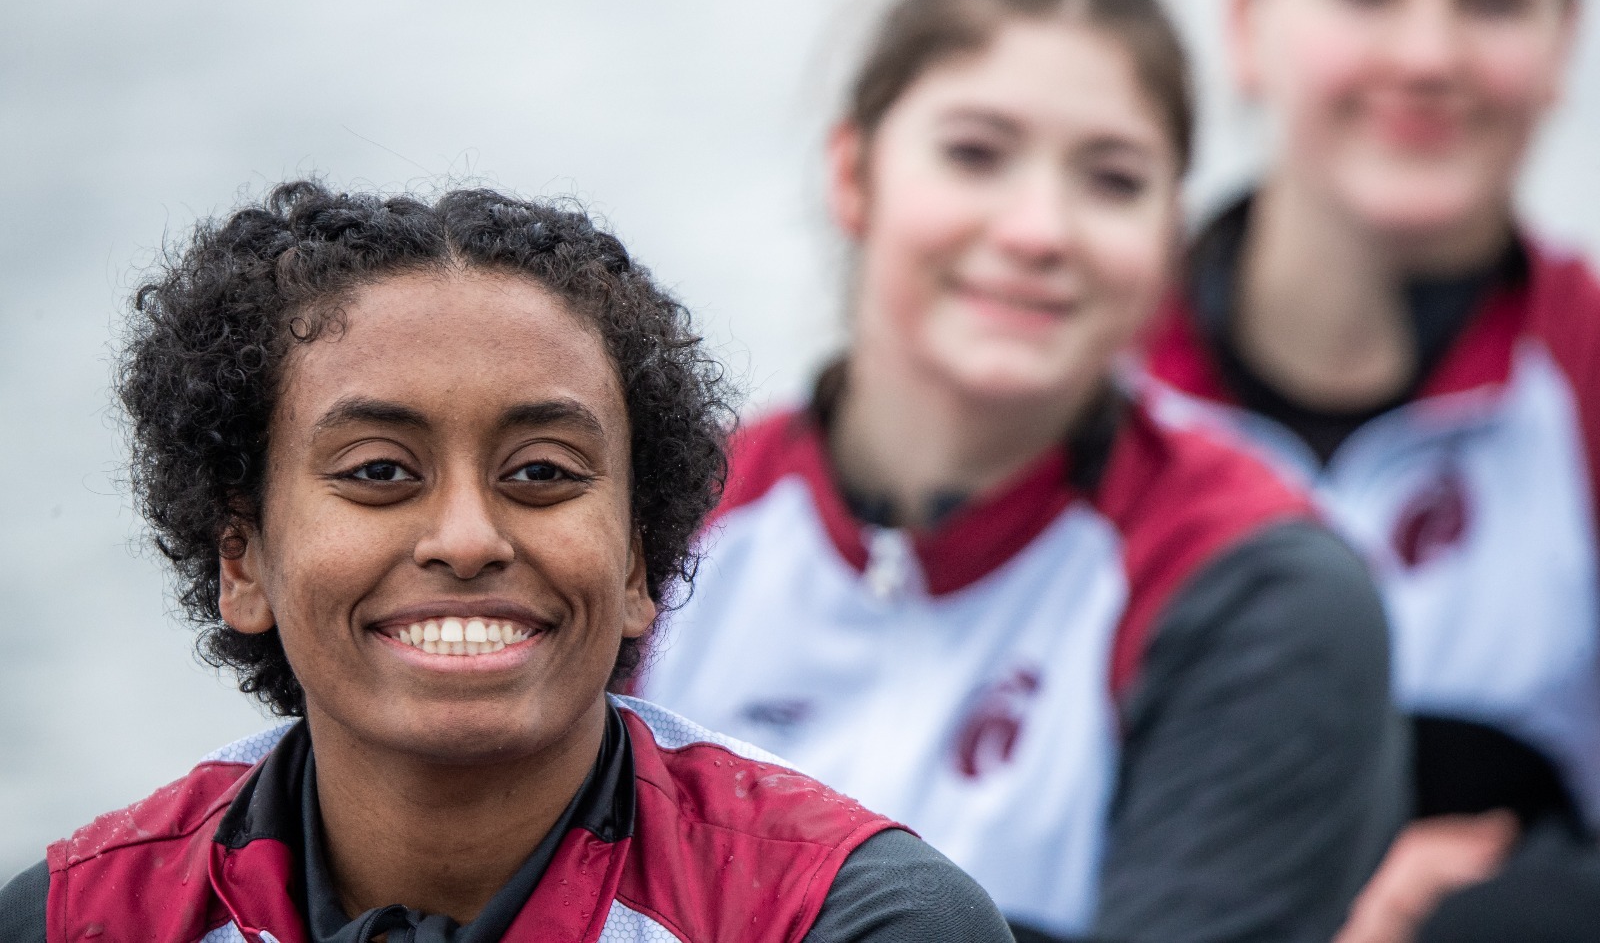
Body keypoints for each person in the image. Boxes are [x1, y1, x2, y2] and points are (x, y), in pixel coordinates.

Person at [636, 0, 1405, 943]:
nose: (1039, 229)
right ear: (853, 175)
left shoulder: (1260, 588)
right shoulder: (674, 514)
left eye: (1113, 179)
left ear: (1170, 234)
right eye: (975, 154)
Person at [0, 182, 1015, 943]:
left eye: (541, 471)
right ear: (242, 557)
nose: (468, 536)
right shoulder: (79, 915)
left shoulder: (849, 920)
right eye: (379, 470)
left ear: (635, 561)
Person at [1142, 0, 1600, 939]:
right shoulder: (1074, 368)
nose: (1428, 54)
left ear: (1563, 39)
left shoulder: (1578, 371)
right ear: (1245, 20)